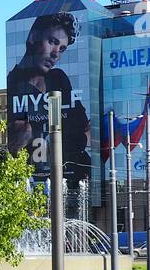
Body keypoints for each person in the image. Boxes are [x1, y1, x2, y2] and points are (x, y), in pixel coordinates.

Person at [6, 12, 92, 183]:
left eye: (62, 49)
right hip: (38, 182)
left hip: (80, 176)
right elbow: (16, 146)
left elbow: (88, 130)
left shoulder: (58, 79)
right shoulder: (13, 85)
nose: (55, 54)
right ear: (33, 37)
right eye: (52, 42)